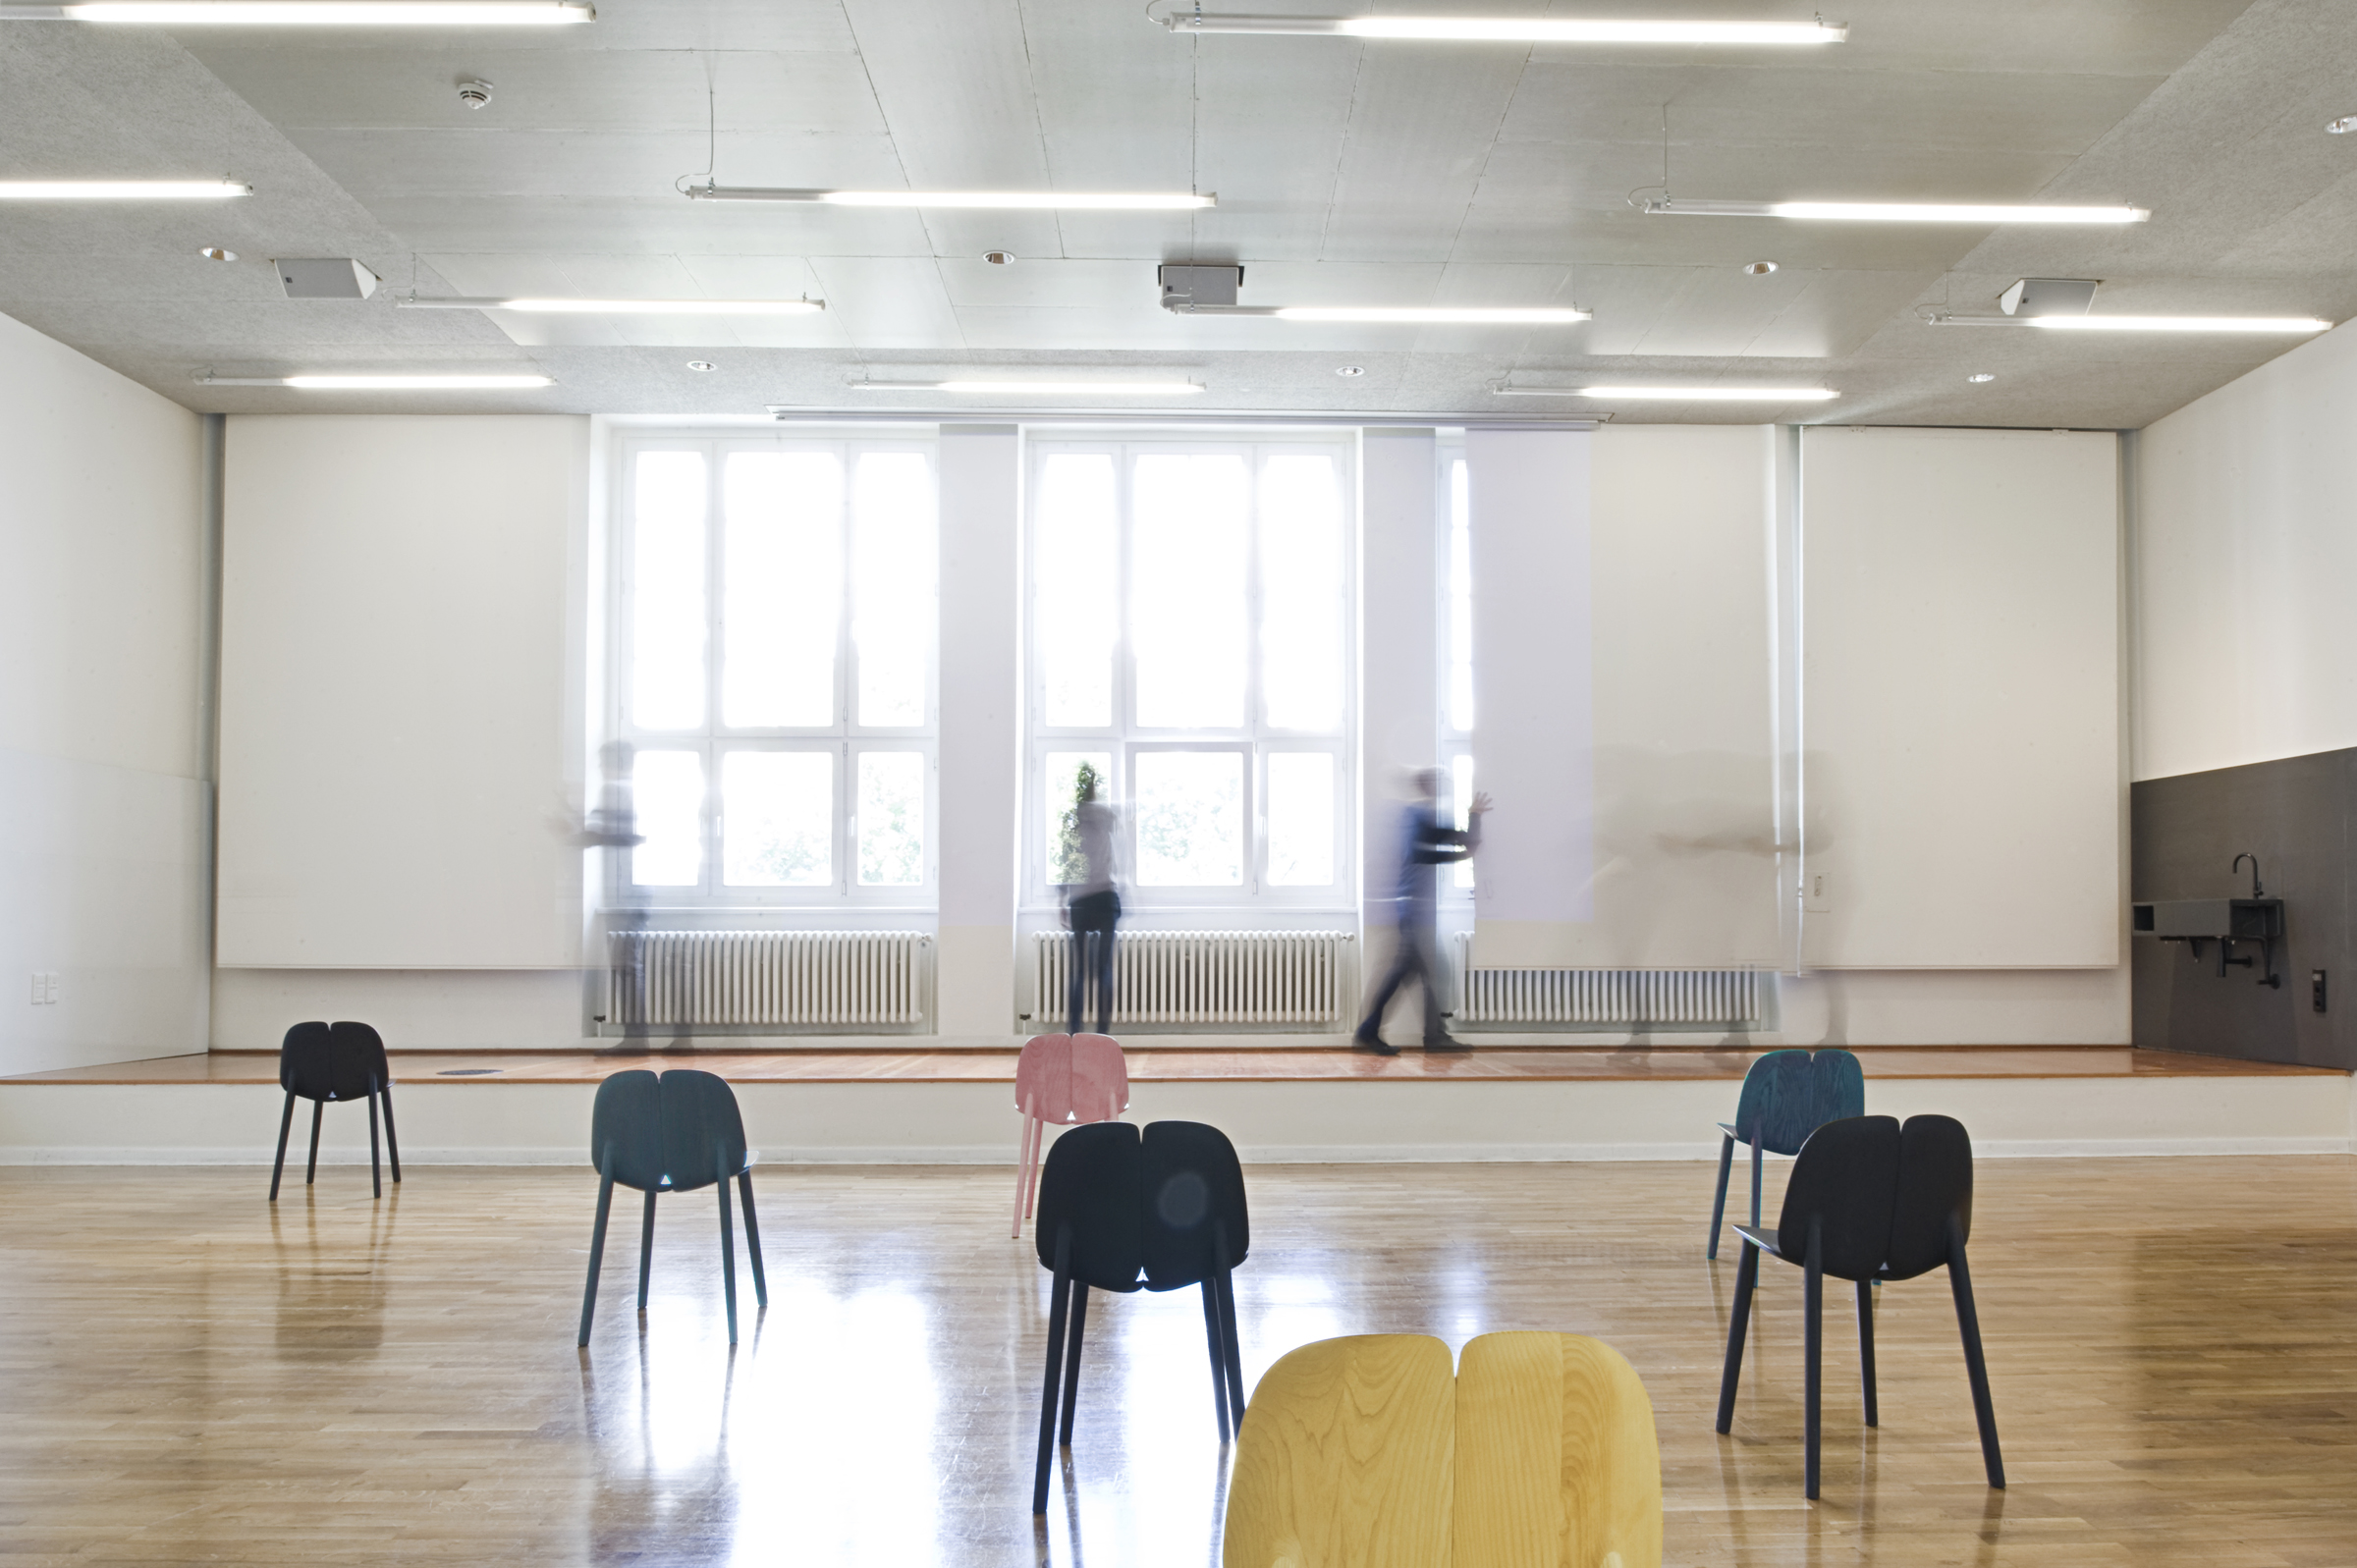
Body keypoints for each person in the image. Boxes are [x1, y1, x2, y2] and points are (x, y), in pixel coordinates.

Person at [1355, 769, 1491, 1054]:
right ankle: (1426, 1036)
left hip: (1417, 910)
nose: (1443, 788)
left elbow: (1464, 840)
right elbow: (1423, 853)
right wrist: (1461, 852)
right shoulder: (1415, 816)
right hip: (1413, 909)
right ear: (1426, 786)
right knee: (1424, 972)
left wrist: (1473, 817)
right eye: (1438, 783)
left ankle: (1393, 1033)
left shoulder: (1426, 819)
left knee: (1416, 972)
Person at [1062, 767, 1124, 1037]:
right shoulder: (1108, 815)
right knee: (1103, 969)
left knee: (1079, 971)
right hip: (1106, 896)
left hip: (1080, 901)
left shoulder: (1071, 822)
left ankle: (1074, 1030)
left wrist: (1061, 900)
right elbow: (1120, 851)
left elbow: (1066, 864)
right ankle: (1102, 1032)